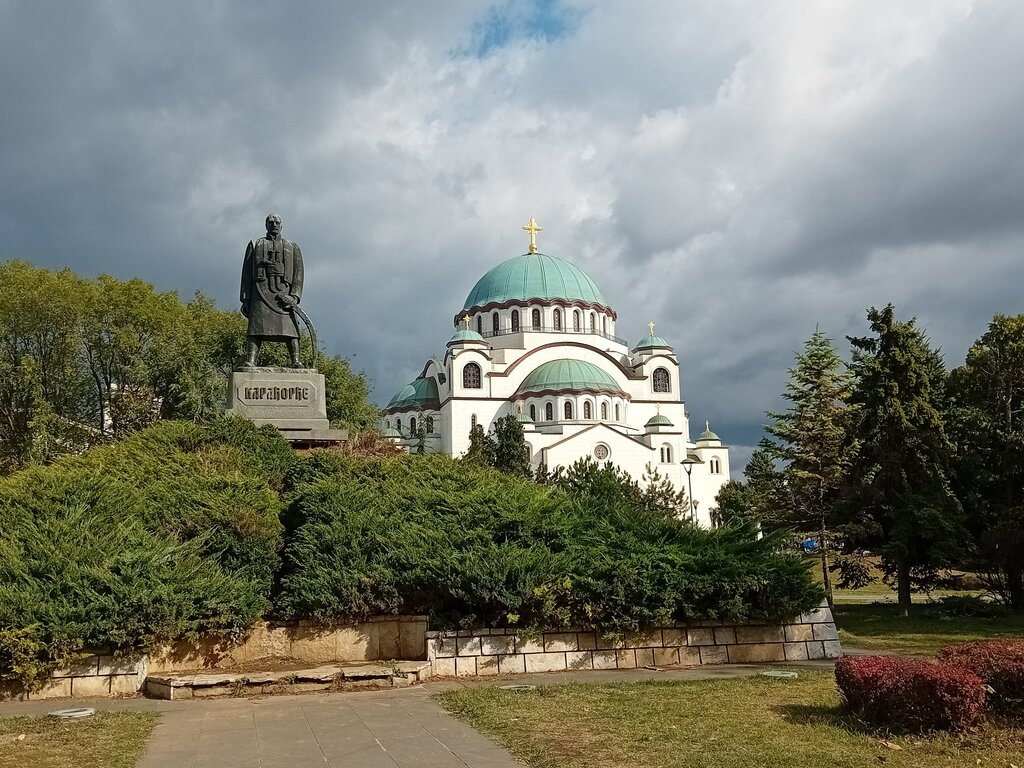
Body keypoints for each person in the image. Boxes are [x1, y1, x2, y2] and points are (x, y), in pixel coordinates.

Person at [240, 213, 304, 367]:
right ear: (266, 225)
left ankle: (295, 361)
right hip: (260, 292)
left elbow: (299, 274)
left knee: (291, 330)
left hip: (284, 294)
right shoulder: (255, 244)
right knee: (256, 328)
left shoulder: (292, 247)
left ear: (281, 225)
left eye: (277, 222)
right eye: (271, 222)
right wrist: (246, 298)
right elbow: (246, 273)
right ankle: (251, 360)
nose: (274, 225)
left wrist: (294, 297)